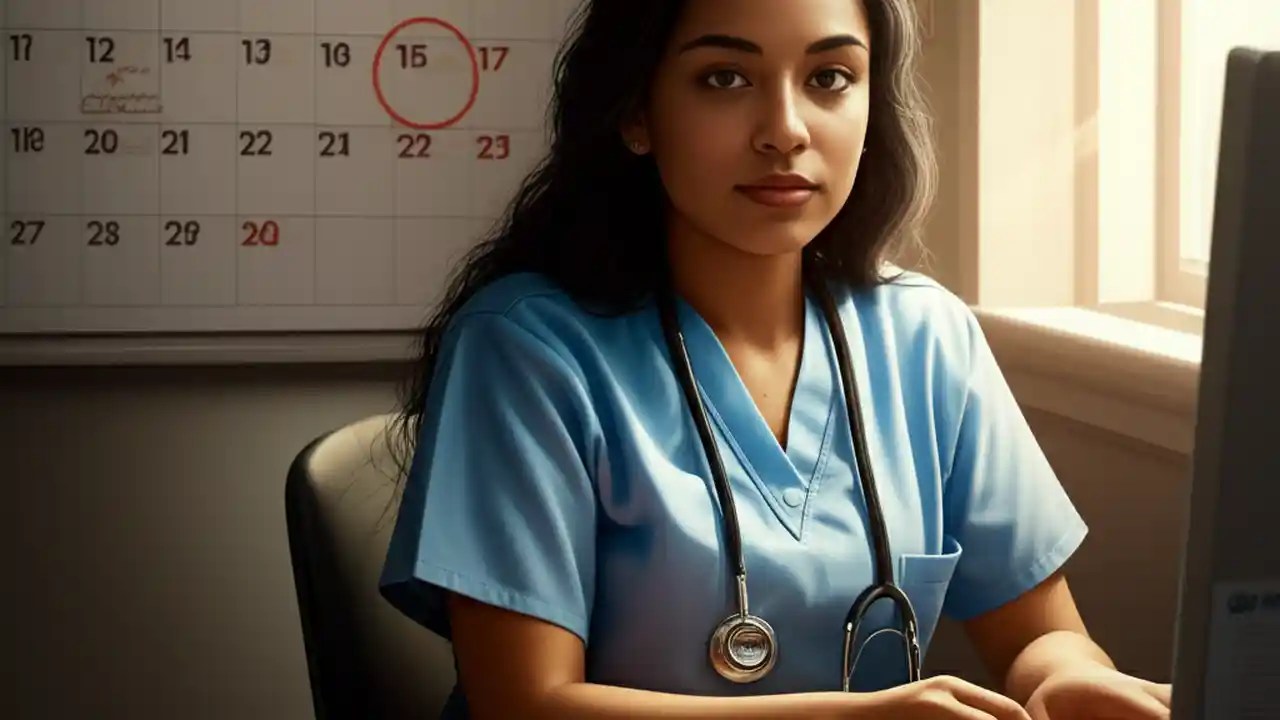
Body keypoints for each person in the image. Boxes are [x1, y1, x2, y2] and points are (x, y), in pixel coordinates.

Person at [378, 1, 1174, 718]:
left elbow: (1038, 633)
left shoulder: (927, 336)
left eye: (830, 78)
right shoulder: (525, 348)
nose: (786, 130)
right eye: (725, 78)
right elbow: (525, 703)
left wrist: (1065, 677)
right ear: (636, 111)